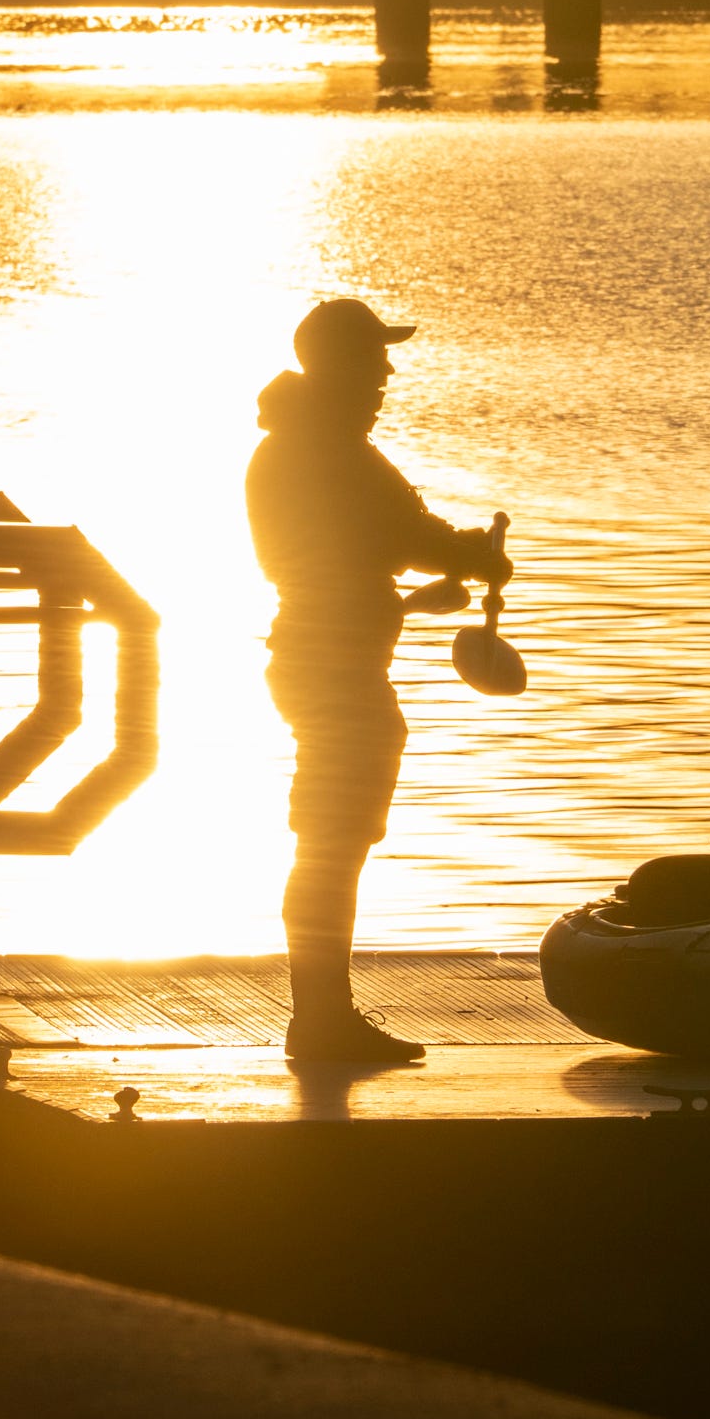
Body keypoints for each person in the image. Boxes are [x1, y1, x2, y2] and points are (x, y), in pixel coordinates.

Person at [247, 296, 509, 1063]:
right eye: (375, 356)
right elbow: (406, 535)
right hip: (332, 670)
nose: (388, 371)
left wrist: (415, 597)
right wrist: (477, 557)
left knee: (331, 843)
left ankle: (324, 1014)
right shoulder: (328, 449)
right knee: (330, 846)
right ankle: (322, 1021)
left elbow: (341, 562)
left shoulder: (300, 443)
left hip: (317, 654)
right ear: (339, 364)